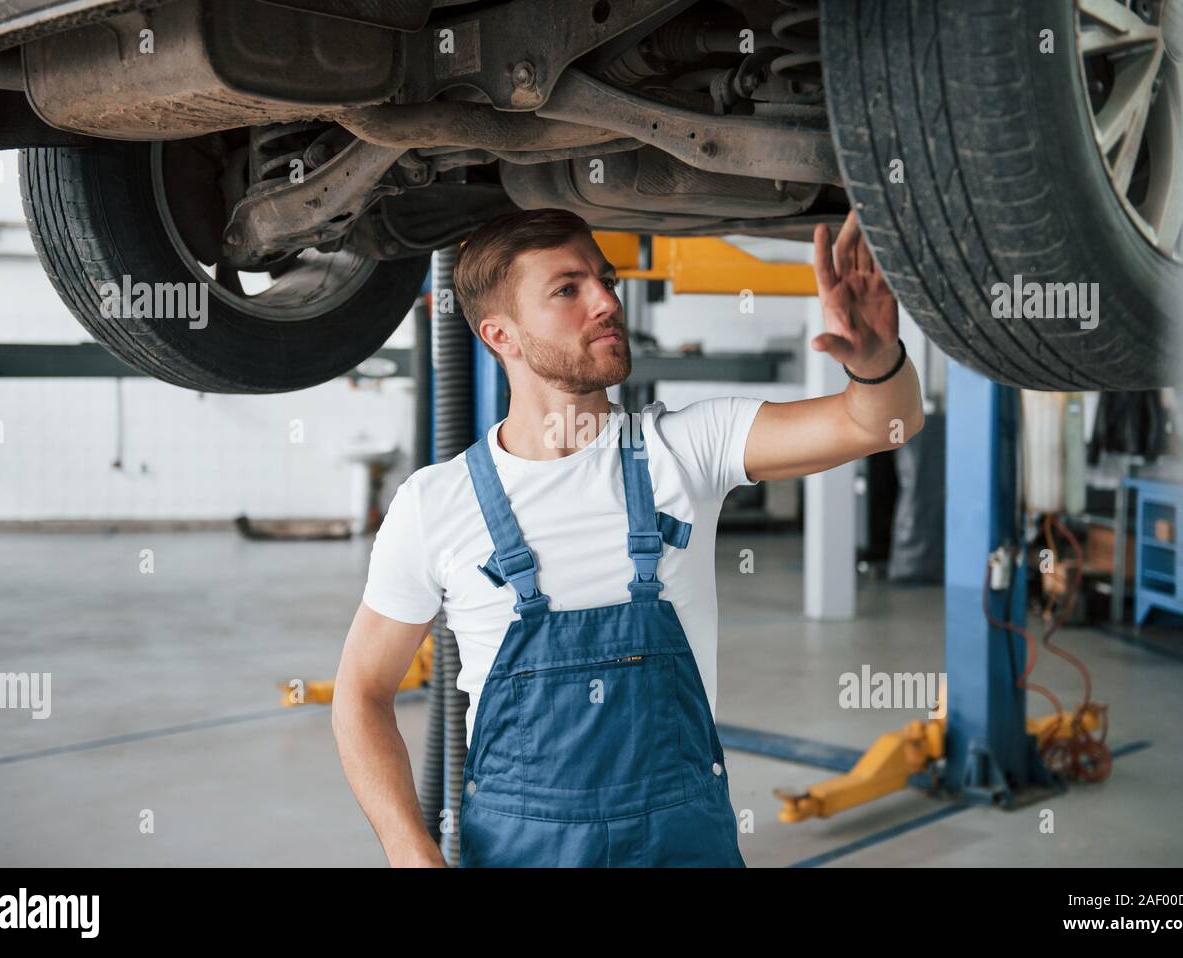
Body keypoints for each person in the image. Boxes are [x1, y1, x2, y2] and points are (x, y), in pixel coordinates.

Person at [332, 207, 924, 867]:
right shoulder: (434, 505)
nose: (607, 301)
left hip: (681, 846)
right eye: (568, 289)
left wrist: (877, 362)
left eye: (605, 279)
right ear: (501, 334)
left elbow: (880, 424)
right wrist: (408, 847)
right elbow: (361, 691)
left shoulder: (689, 448)